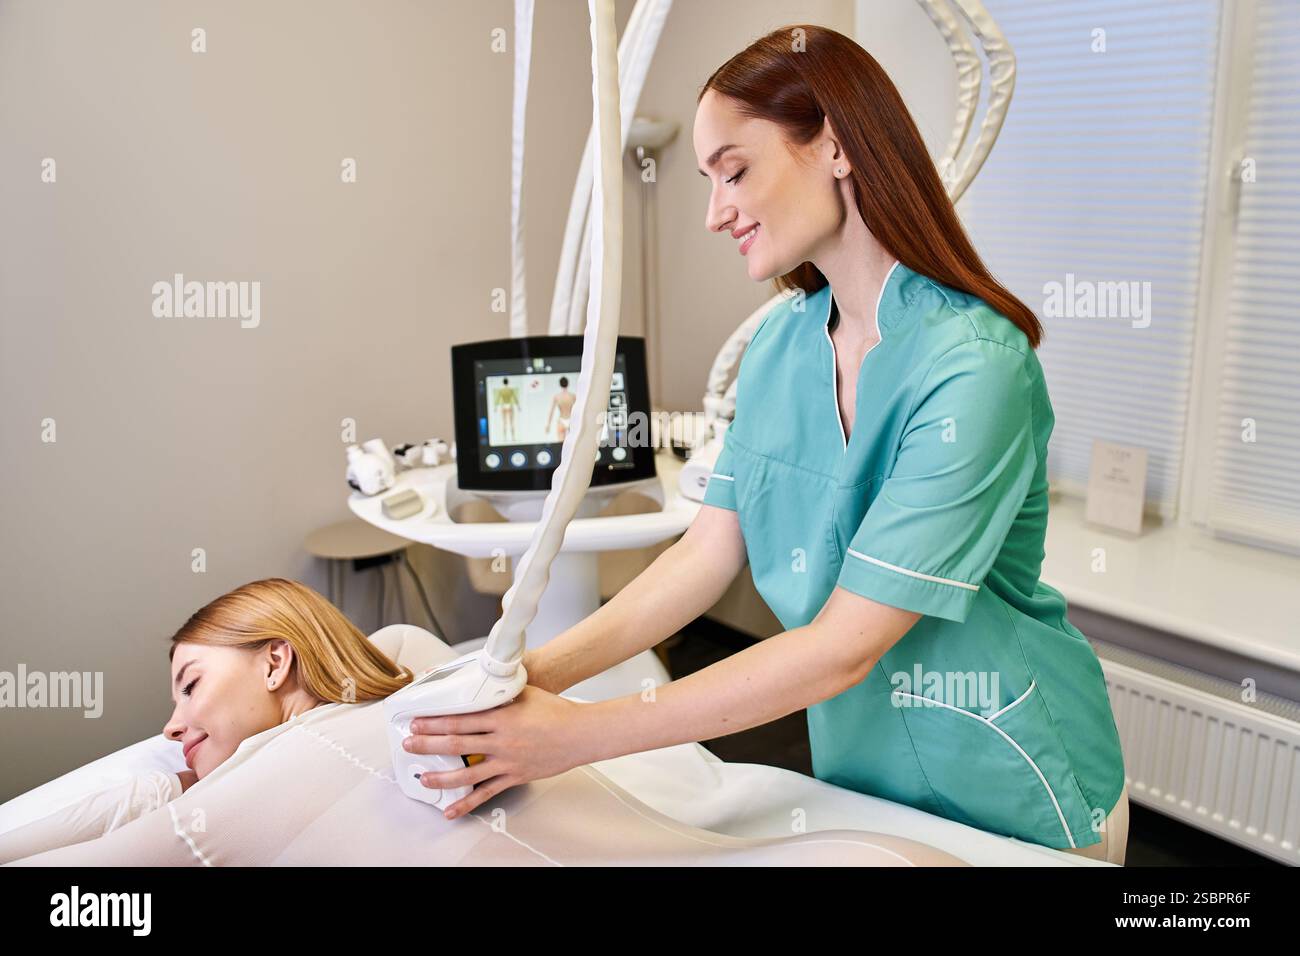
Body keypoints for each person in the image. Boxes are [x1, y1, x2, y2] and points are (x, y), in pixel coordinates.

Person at [402, 24, 1128, 863]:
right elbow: (704, 557)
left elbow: (840, 649)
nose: (715, 212)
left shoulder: (976, 368)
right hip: (863, 780)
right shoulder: (782, 348)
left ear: (836, 147)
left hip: (1016, 783)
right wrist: (528, 673)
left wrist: (574, 737)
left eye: (735, 171)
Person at [0, 578, 411, 862]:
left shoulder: (244, 799)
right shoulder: (417, 685)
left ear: (275, 661)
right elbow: (393, 644)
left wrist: (172, 790)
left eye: (191, 685)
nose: (170, 729)